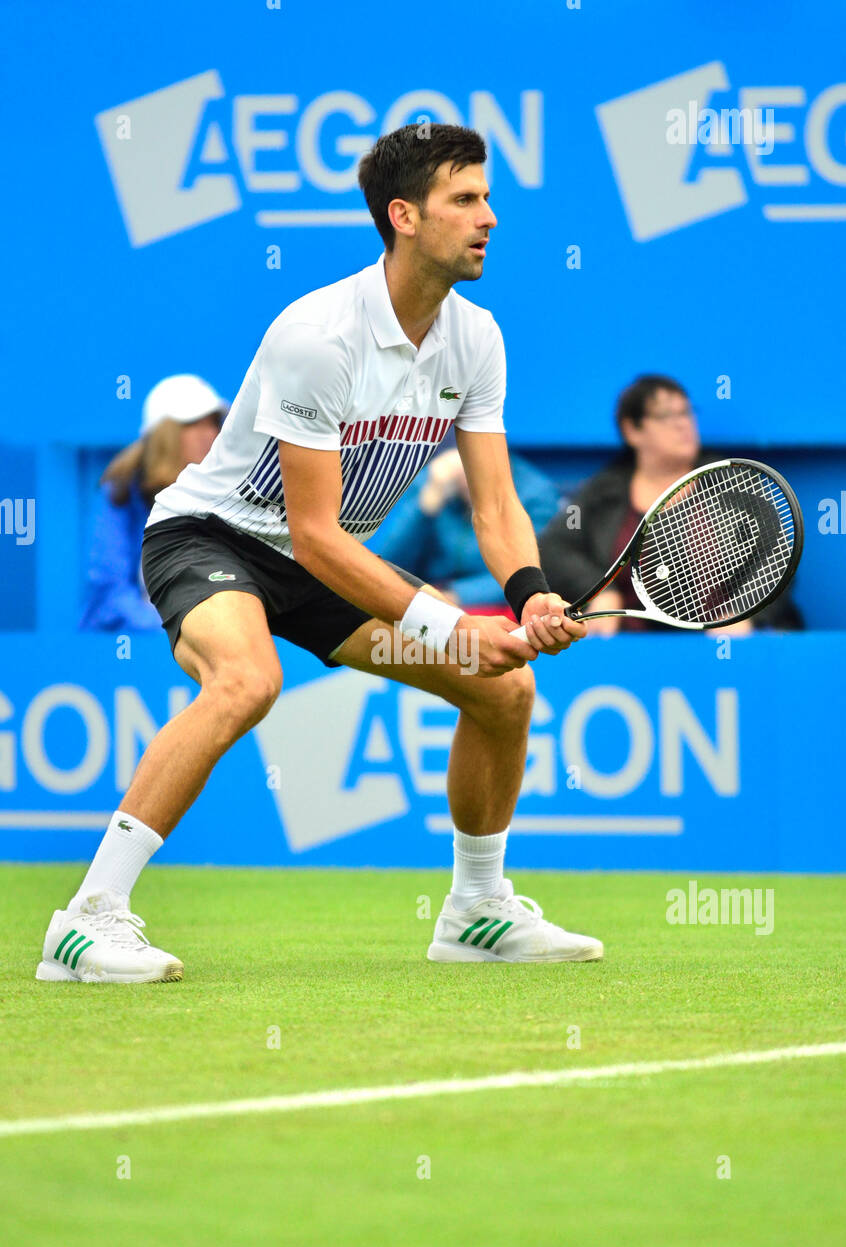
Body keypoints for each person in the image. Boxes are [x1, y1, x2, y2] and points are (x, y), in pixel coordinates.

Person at [36, 123, 602, 985]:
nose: (489, 217)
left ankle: (475, 909)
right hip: (213, 536)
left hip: (323, 561)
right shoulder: (318, 336)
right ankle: (86, 919)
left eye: (487, 197)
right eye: (466, 199)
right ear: (403, 216)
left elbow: (491, 502)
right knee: (247, 679)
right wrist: (452, 626)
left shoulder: (475, 338)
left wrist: (526, 593)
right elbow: (314, 533)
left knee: (506, 687)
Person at [538, 374, 803, 635]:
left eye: (686, 413)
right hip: (630, 648)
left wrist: (746, 614)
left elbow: (777, 558)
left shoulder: (733, 483)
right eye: (666, 415)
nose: (683, 424)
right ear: (632, 430)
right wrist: (599, 593)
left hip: (726, 647)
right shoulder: (602, 493)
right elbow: (554, 550)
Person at [79, 376, 226, 631]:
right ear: (163, 436)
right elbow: (110, 598)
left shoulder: (230, 494)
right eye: (194, 424)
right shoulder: (121, 492)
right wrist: (188, 630)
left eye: (213, 424)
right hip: (141, 654)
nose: (210, 434)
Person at [372, 444, 560, 609]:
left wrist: (456, 595)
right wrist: (426, 507)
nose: (473, 477)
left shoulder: (535, 494)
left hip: (489, 607)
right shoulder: (430, 481)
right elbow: (390, 562)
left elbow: (533, 573)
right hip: (423, 600)